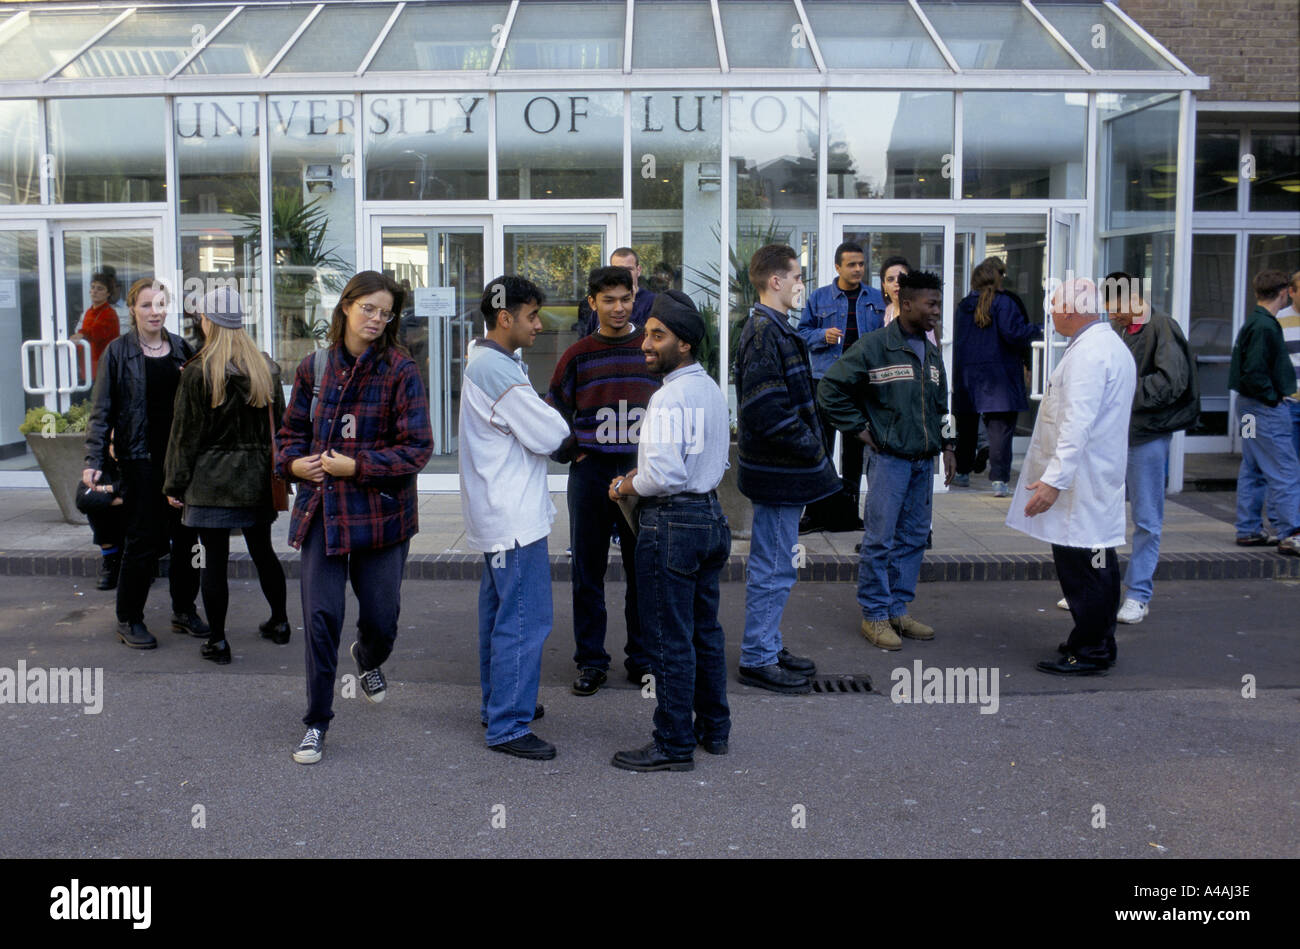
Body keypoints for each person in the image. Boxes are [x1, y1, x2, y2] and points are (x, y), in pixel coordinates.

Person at [275, 271, 433, 765]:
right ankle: (316, 723)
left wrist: (358, 466)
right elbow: (289, 436)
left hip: (382, 517)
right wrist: (293, 464)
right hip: (323, 512)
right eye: (369, 308)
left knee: (382, 619)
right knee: (321, 619)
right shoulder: (314, 367)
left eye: (385, 313)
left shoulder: (400, 371)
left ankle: (367, 658)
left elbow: (418, 449)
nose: (376, 319)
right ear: (346, 306)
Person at [608, 291, 731, 771]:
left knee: (668, 640)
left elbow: (662, 475)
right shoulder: (710, 390)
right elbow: (713, 461)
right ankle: (714, 730)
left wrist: (623, 484)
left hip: (672, 522)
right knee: (706, 632)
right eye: (647, 333)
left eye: (657, 336)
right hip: (709, 518)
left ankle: (674, 744)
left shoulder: (667, 397)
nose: (645, 343)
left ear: (685, 345)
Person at [461, 275, 570, 761]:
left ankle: (498, 704)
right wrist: (549, 418)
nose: (539, 325)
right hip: (513, 517)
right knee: (525, 620)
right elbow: (550, 433)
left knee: (501, 616)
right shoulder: (497, 370)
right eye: (531, 316)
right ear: (504, 318)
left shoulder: (486, 359)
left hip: (498, 514)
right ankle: (508, 723)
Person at [819, 271, 956, 651]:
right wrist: (860, 429)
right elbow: (830, 389)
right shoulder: (874, 346)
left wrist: (948, 446)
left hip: (922, 462)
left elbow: (942, 405)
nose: (937, 311)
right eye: (931, 304)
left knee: (913, 538)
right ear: (906, 304)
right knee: (880, 539)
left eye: (938, 304)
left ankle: (898, 608)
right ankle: (874, 615)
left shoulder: (930, 351)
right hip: (889, 462)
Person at [1006, 278, 1136, 676]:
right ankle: (1094, 640)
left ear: (1072, 310)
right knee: (1098, 563)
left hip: (1082, 480)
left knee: (1084, 569)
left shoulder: (1090, 354)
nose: (1051, 313)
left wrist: (1053, 481)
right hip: (1095, 475)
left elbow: (1076, 424)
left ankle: (1092, 649)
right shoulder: (1105, 345)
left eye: (1054, 306)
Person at [546, 266, 660, 696]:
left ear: (635, 298)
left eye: (625, 298)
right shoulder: (577, 355)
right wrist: (570, 450)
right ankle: (591, 661)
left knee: (641, 570)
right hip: (591, 471)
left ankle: (642, 658)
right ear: (592, 303)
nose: (618, 307)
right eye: (608, 300)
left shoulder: (651, 350)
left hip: (641, 472)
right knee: (587, 571)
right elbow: (553, 409)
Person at [734, 244, 839, 694]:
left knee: (777, 565)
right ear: (774, 281)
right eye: (796, 277)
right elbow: (765, 412)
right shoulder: (763, 331)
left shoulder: (773, 327)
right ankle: (758, 656)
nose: (801, 285)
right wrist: (814, 449)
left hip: (781, 474)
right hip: (778, 474)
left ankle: (769, 646)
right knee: (773, 567)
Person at [163, 288, 290, 665]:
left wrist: (174, 483)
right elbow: (281, 429)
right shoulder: (264, 367)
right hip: (256, 482)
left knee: (213, 561)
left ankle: (218, 641)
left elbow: (184, 436)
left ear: (208, 321)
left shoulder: (199, 372)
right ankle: (280, 623)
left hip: (210, 484)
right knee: (263, 552)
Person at [83, 277, 206, 650]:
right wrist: (94, 458)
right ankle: (129, 617)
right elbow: (101, 410)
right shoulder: (118, 353)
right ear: (133, 310)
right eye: (147, 305)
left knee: (187, 537)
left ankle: (183, 610)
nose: (156, 311)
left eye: (161, 304)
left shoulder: (180, 348)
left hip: (179, 460)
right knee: (143, 539)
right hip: (139, 460)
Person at [1099, 272, 1199, 624]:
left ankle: (1138, 595)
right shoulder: (1121, 330)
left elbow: (1172, 381)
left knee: (1146, 519)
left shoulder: (1162, 327)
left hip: (1146, 437)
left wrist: (1121, 390)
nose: (1111, 316)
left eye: (1116, 310)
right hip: (1118, 437)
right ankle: (1100, 589)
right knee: (1102, 515)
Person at [796, 240, 885, 533]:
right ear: (838, 267)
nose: (858, 269)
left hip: (860, 385)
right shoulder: (820, 298)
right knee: (821, 449)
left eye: (861, 264)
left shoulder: (875, 298)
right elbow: (802, 334)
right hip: (825, 383)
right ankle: (816, 513)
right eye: (852, 264)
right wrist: (823, 335)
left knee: (854, 453)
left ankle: (847, 514)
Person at [951, 257, 1042, 497]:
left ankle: (961, 472)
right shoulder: (1005, 303)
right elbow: (1014, 334)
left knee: (966, 428)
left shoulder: (963, 305)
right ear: (997, 278)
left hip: (968, 376)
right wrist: (1039, 329)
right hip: (1000, 376)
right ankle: (999, 480)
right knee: (1000, 430)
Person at [1228, 270, 1300, 556]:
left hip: (1248, 408)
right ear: (1284, 292)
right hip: (1263, 408)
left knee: (1253, 465)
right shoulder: (1267, 326)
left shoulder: (1255, 322)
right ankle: (1291, 532)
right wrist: (1274, 398)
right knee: (1284, 468)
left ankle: (1248, 528)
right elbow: (1255, 372)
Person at [575, 247, 656, 337]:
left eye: (629, 270)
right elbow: (588, 337)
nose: (624, 274)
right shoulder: (598, 301)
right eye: (618, 269)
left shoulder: (654, 302)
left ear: (639, 270)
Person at [71, 271, 120, 380]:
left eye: (100, 289)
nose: (94, 291)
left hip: (102, 369)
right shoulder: (89, 312)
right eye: (93, 287)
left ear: (108, 293)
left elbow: (95, 333)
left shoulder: (109, 314)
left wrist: (81, 335)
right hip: (88, 367)